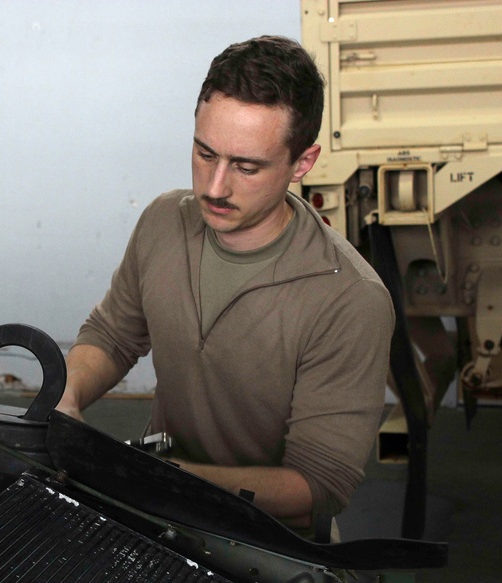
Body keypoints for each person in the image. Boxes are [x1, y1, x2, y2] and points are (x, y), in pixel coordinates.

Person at [56, 35, 394, 535]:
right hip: (158, 525)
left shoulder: (348, 298)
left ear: (303, 162)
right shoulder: (164, 221)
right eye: (204, 153)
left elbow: (316, 489)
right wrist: (65, 398)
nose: (214, 187)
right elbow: (113, 335)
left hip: (269, 554)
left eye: (246, 166)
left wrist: (162, 478)